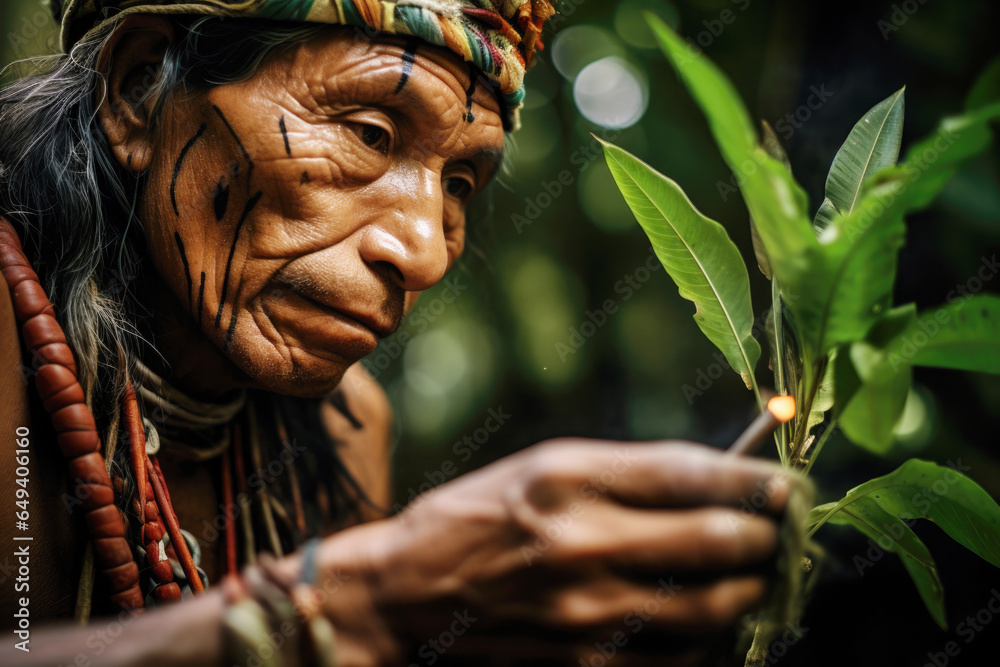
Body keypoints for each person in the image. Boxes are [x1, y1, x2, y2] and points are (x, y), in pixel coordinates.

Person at [0, 1, 808, 664]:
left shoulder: (348, 433)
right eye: (369, 134)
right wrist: (359, 605)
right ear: (140, 91)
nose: (423, 250)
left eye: (460, 182)